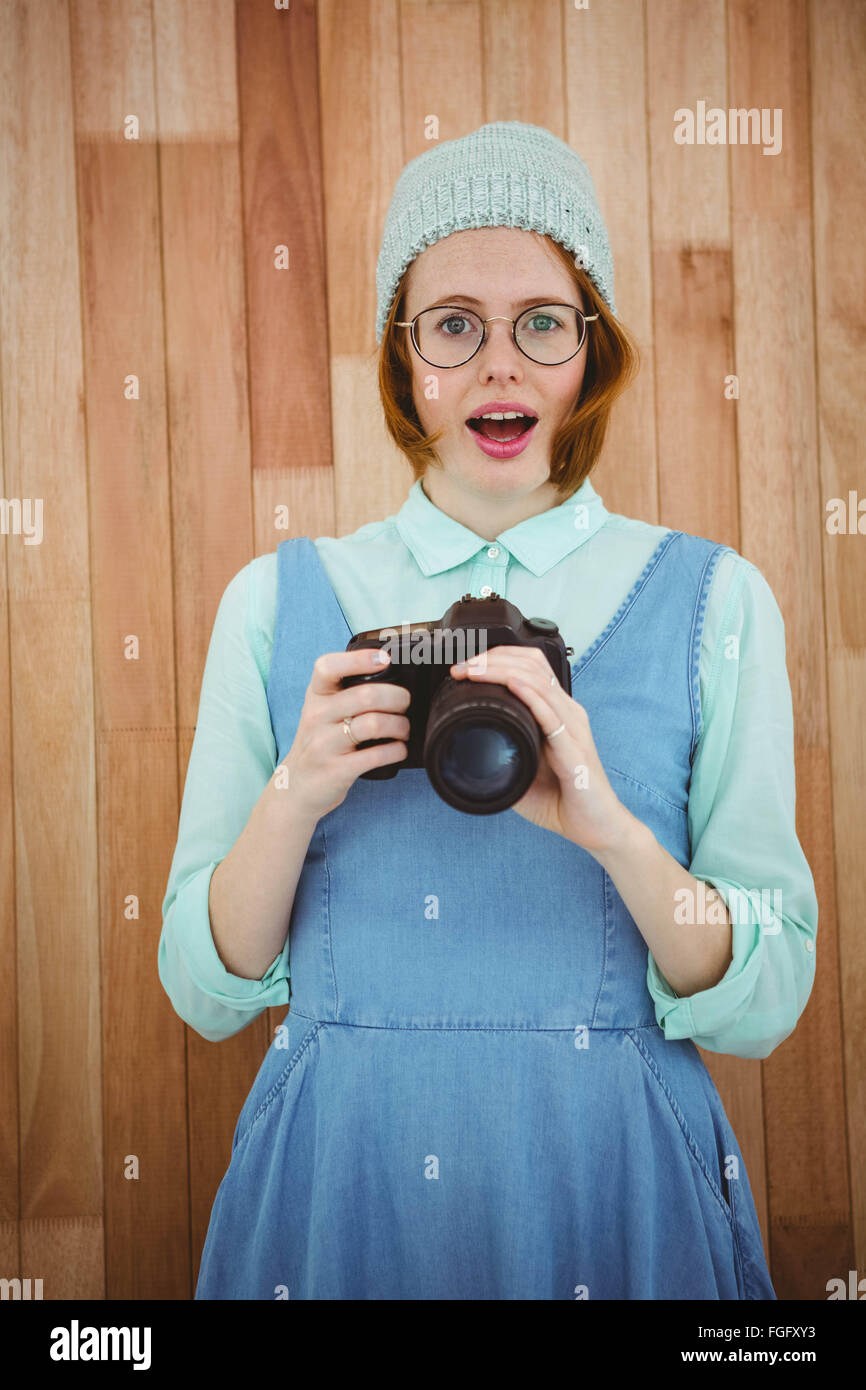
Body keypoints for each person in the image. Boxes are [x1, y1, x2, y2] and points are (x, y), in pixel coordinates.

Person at [159, 122, 818, 1299]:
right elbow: (204, 988)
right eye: (452, 324)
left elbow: (764, 998)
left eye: (542, 321)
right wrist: (295, 790)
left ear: (590, 350)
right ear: (402, 358)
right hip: (337, 1186)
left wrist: (607, 827)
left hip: (612, 1177)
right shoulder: (275, 601)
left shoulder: (716, 598)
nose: (498, 367)